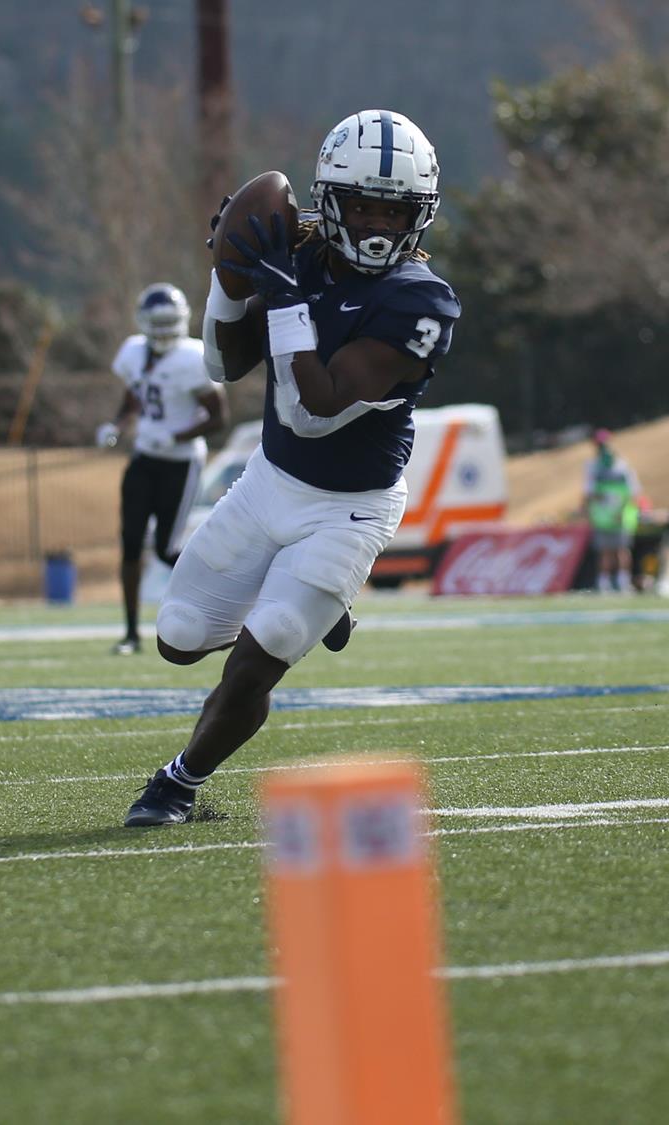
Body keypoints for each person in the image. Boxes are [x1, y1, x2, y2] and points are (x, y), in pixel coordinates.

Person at [123, 109, 459, 827]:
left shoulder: (422, 300)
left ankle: (178, 782)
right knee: (178, 637)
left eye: (393, 210)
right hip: (270, 480)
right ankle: (324, 606)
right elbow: (221, 364)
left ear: (420, 215)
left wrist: (277, 294)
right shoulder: (297, 253)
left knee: (267, 642)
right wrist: (228, 278)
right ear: (329, 200)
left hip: (352, 505)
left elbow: (316, 407)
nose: (375, 224)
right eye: (362, 204)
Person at [97, 283, 228, 656]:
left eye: (171, 322)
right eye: (159, 322)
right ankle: (131, 634)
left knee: (168, 549)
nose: (165, 330)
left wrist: (176, 436)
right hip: (143, 458)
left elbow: (219, 417)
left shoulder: (191, 358)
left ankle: (222, 604)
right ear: (143, 322)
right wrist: (117, 425)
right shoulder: (133, 353)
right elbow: (134, 397)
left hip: (180, 463)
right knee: (130, 544)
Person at [583, 428, 643, 593]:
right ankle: (605, 582)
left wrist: (621, 511)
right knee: (605, 551)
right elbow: (589, 494)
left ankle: (622, 581)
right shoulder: (592, 466)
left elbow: (633, 493)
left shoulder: (623, 466)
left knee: (621, 550)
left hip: (621, 516)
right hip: (603, 517)